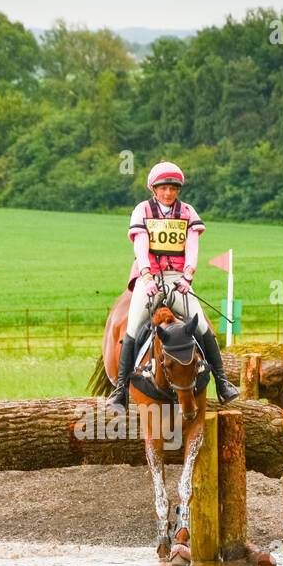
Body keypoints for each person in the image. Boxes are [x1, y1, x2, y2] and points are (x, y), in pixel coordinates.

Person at [107, 160, 239, 409]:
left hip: (177, 278)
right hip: (150, 278)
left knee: (202, 327)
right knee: (133, 329)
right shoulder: (142, 210)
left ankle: (222, 382)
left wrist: (188, 277)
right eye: (163, 188)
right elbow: (141, 246)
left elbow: (192, 246)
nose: (168, 193)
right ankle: (120, 390)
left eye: (173, 188)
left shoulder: (188, 212)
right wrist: (146, 276)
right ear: (153, 189)